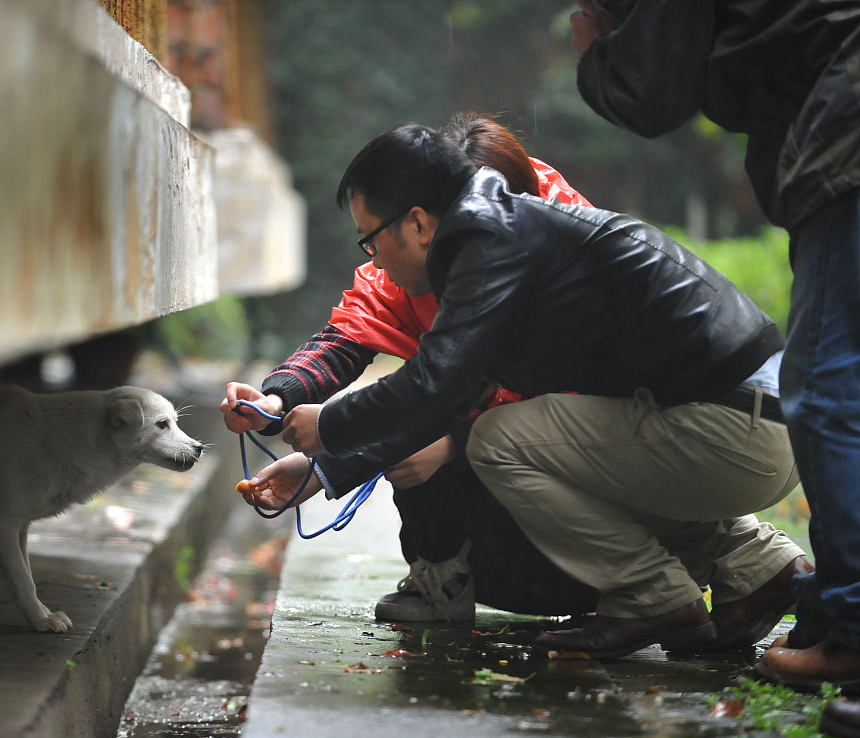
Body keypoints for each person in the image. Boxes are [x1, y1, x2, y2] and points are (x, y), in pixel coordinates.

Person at [260, 122, 810, 660]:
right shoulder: (508, 229)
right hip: (760, 424)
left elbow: (437, 387)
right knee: (519, 443)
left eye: (371, 237)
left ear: (420, 222)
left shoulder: (491, 246)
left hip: (733, 431)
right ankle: (759, 567)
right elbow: (443, 387)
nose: (372, 258)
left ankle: (654, 598)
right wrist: (321, 454)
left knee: (499, 443)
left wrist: (329, 431)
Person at [569, 0, 860, 692]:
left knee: (834, 386)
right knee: (842, 381)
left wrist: (595, 49)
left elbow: (652, 90)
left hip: (855, 122)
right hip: (849, 114)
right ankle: (839, 618)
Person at [221, 114, 599, 623]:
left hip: (598, 503)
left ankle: (655, 582)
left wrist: (445, 447)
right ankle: (441, 577)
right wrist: (276, 400)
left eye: (372, 239)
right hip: (521, 516)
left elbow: (561, 415)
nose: (375, 261)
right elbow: (349, 334)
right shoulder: (428, 253)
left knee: (436, 434)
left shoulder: (569, 263)